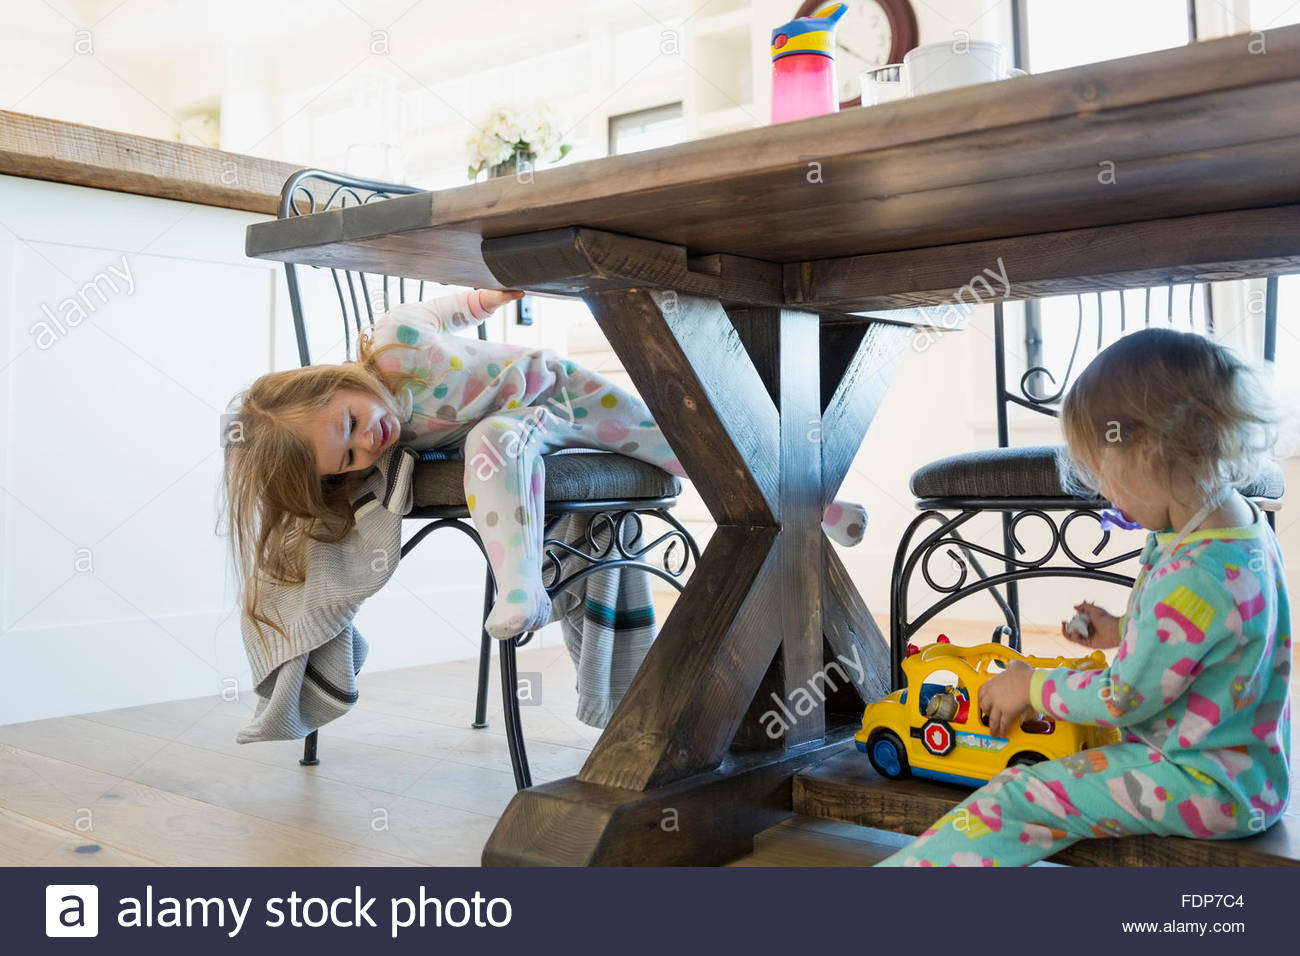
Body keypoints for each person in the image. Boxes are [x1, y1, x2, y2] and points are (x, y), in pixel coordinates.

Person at [222, 288, 870, 643]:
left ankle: (814, 506)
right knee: (490, 445)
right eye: (352, 455)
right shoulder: (391, 449)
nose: (371, 442)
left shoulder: (397, 343)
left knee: (677, 439)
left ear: (330, 380)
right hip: (513, 431)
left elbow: (441, 310)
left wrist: (486, 298)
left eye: (352, 424)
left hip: (561, 392)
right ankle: (522, 588)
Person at [876, 327, 1291, 866]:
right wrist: (1123, 630)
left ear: (1149, 450)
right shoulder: (1238, 531)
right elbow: (1215, 637)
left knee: (1018, 796)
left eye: (1104, 476)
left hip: (1200, 781)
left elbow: (1124, 696)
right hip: (1247, 773)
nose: (1103, 494)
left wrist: (1033, 685)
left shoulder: (1194, 575)